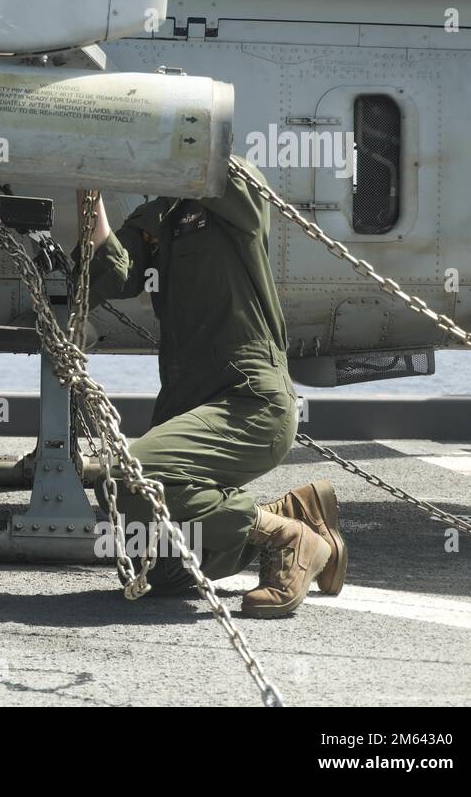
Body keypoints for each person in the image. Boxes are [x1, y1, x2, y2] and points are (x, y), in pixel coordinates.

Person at [76, 156, 347, 617]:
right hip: (186, 405)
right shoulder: (156, 216)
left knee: (128, 475)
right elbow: (113, 275)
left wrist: (169, 135)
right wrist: (87, 187)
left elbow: (220, 170)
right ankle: (291, 511)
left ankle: (288, 538)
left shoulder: (231, 189)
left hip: (248, 399)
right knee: (159, 568)